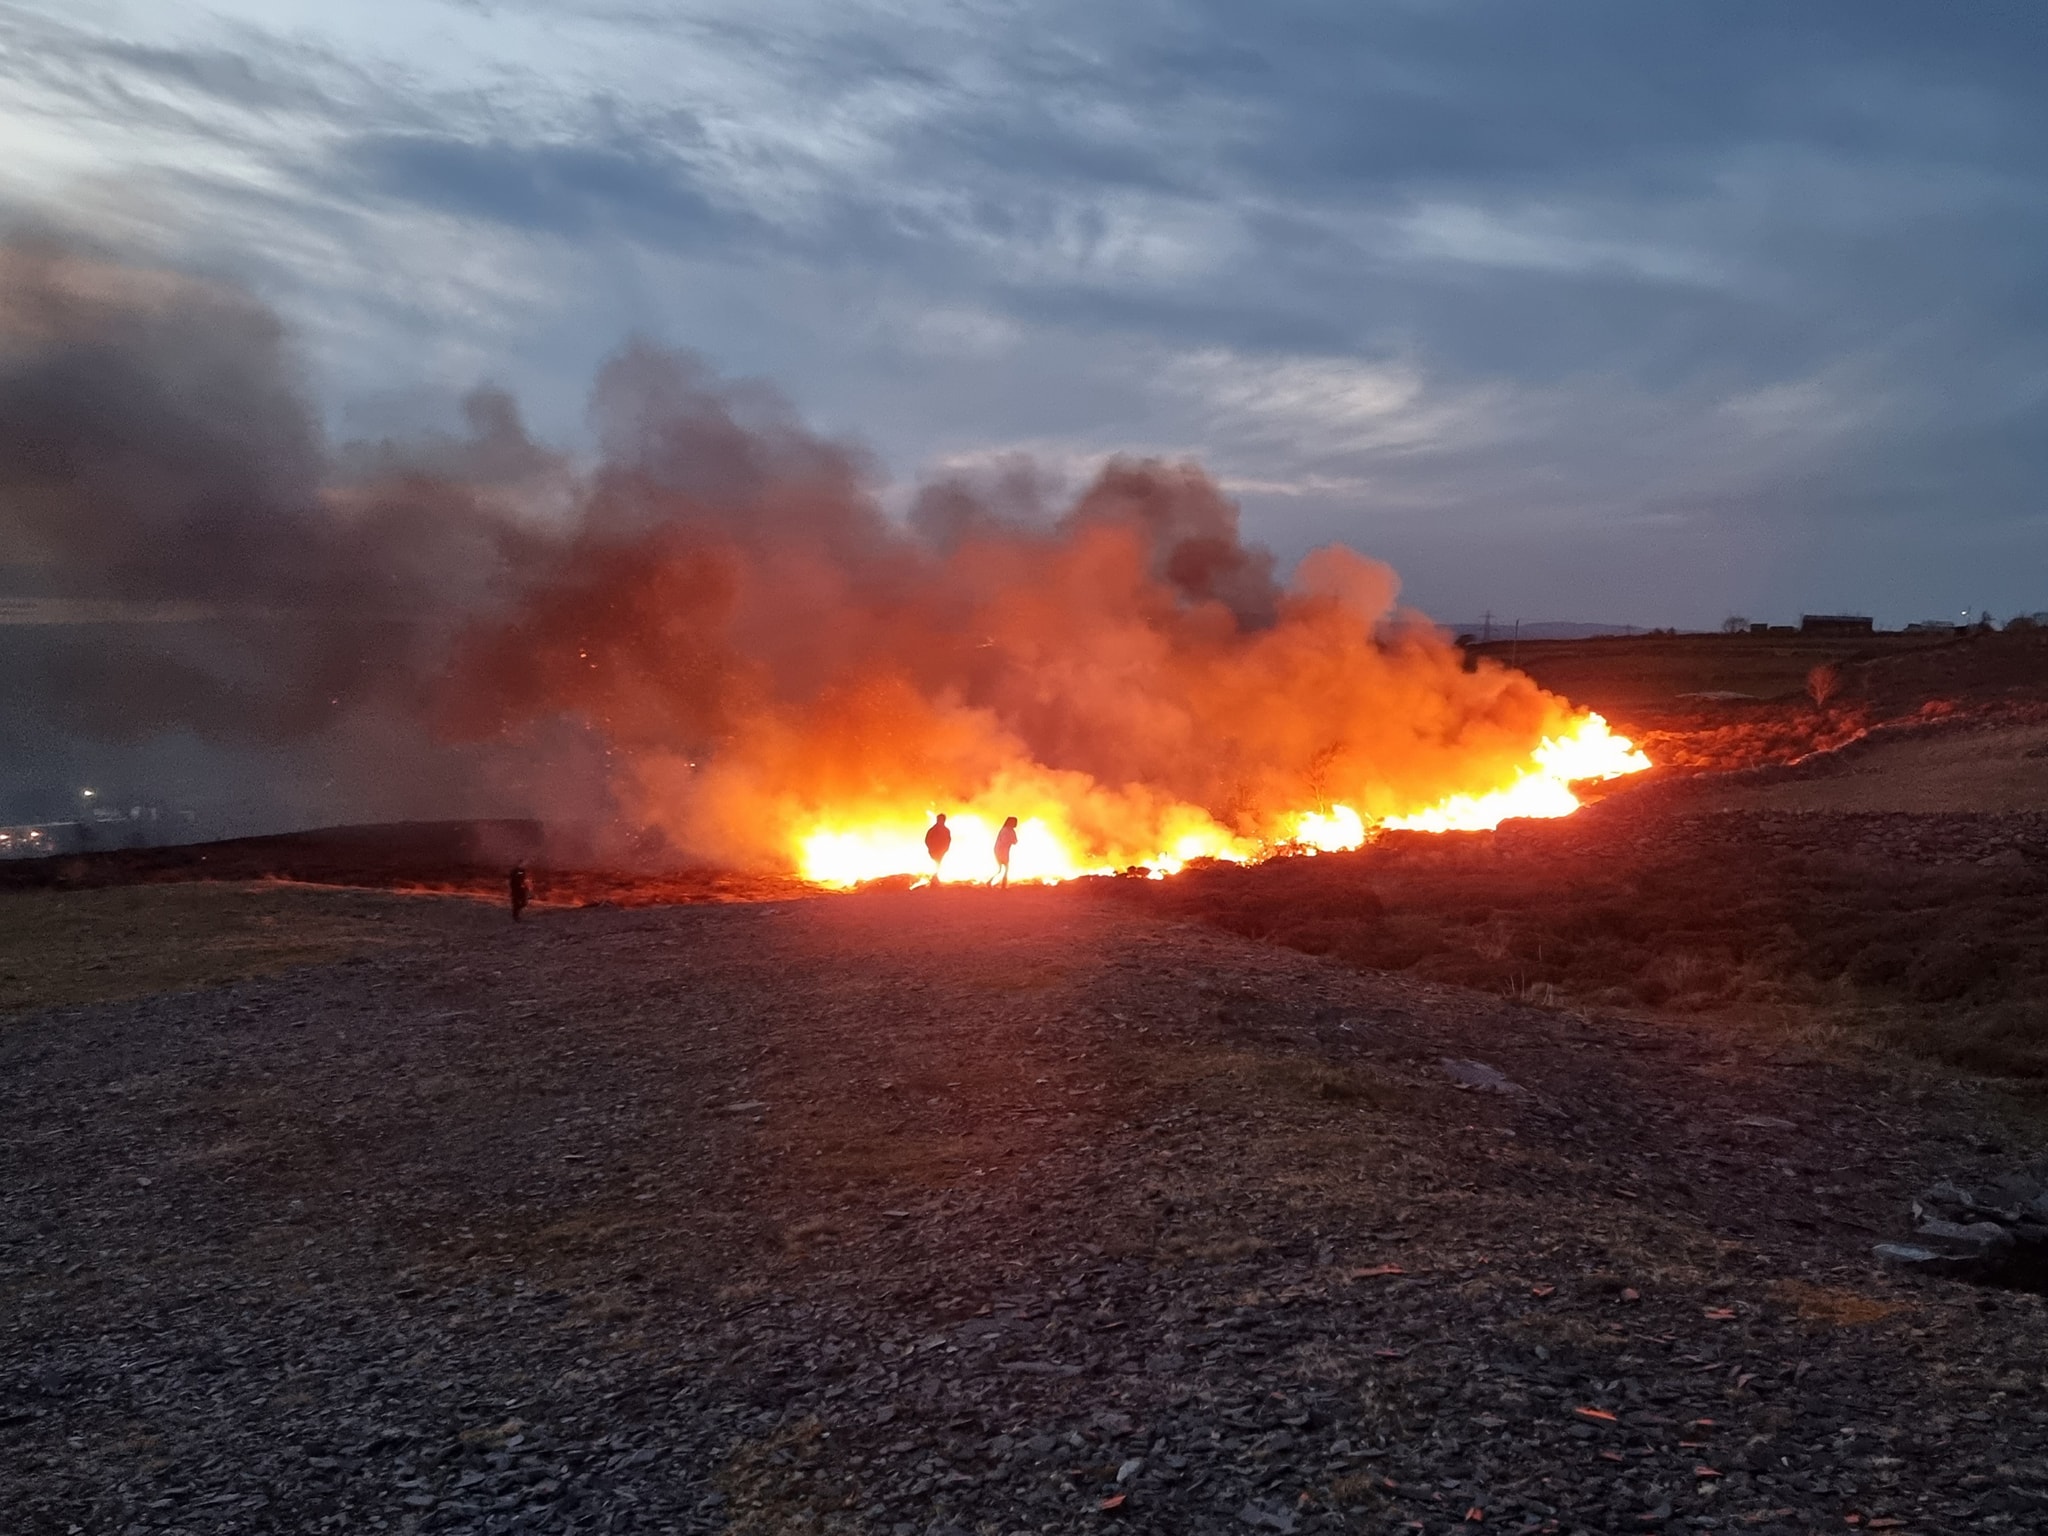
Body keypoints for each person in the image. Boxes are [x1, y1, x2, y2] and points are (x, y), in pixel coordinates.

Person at [991, 815, 1019, 888]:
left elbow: (1015, 841)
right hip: (1001, 851)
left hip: (1004, 851)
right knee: (1003, 869)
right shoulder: (1006, 830)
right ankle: (1002, 884)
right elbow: (1005, 841)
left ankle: (999, 883)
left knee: (1003, 869)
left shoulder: (1010, 830)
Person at [923, 813, 951, 883]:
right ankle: (933, 876)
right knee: (936, 862)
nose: (941, 821)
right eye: (939, 820)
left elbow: (948, 840)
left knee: (938, 862)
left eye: (942, 820)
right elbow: (927, 839)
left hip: (941, 850)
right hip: (934, 849)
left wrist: (946, 848)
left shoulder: (946, 830)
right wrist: (930, 848)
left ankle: (935, 876)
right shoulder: (933, 830)